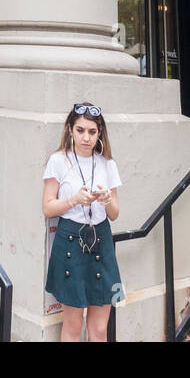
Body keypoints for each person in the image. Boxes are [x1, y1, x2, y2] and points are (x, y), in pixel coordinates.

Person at [43, 102, 123, 341]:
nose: (86, 137)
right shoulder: (58, 161)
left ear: (100, 133)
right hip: (69, 241)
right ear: (70, 129)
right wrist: (74, 199)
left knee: (99, 329)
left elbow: (115, 213)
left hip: (102, 240)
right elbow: (47, 208)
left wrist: (107, 199)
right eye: (80, 130)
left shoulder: (107, 164)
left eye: (92, 131)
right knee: (73, 325)